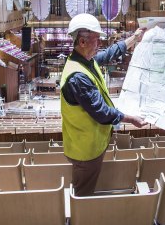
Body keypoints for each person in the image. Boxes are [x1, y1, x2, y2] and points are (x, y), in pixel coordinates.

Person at [61, 13, 147, 196]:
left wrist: (135, 38)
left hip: (89, 144)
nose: (99, 45)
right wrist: (130, 118)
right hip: (85, 150)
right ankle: (82, 223)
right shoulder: (78, 77)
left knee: (84, 186)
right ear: (82, 42)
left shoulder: (84, 61)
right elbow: (100, 112)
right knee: (82, 194)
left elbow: (109, 53)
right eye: (96, 40)